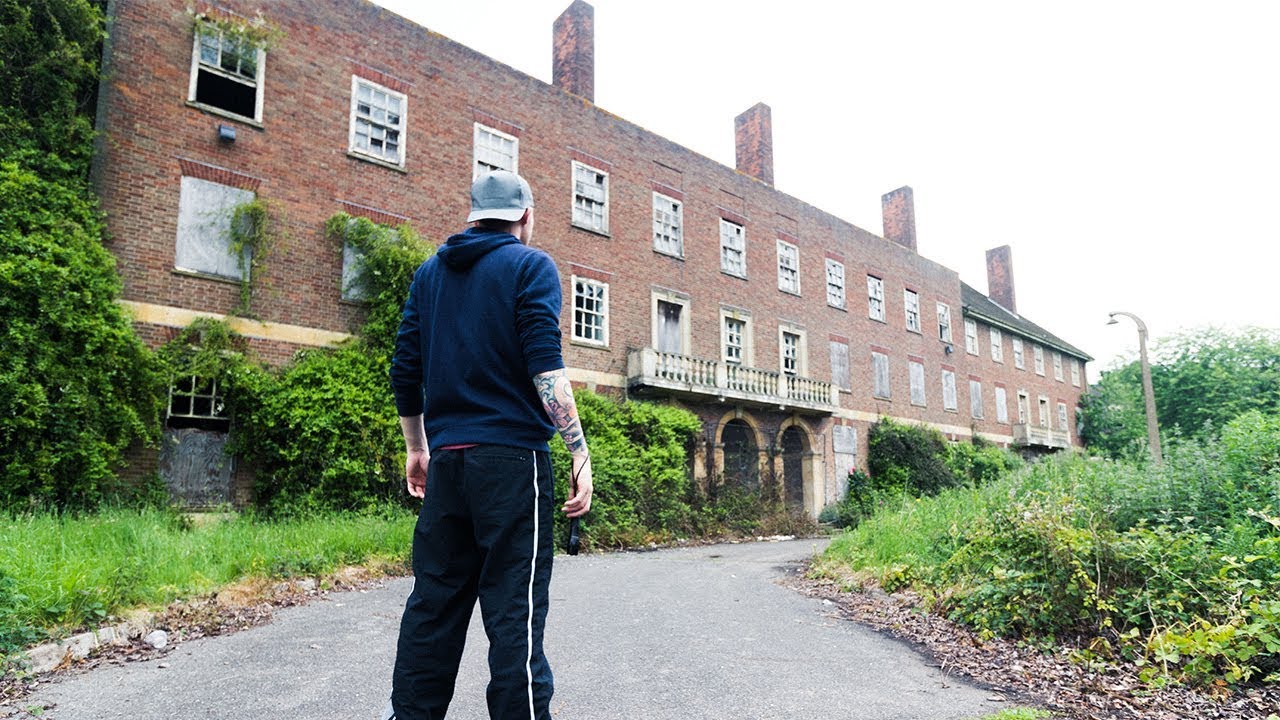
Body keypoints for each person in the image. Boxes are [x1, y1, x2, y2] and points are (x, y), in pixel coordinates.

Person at [382, 170, 593, 720]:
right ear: (525, 217)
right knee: (513, 613)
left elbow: (405, 373)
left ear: (471, 216)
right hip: (512, 463)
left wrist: (418, 448)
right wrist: (579, 453)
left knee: (434, 606)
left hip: (448, 463)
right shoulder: (531, 265)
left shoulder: (429, 275)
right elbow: (547, 372)